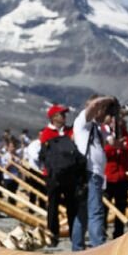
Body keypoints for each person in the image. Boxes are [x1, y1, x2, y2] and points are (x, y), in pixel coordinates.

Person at [71, 96, 116, 250]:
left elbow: (113, 142)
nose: (103, 111)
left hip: (93, 173)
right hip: (90, 172)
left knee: (83, 212)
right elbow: (95, 104)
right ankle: (99, 247)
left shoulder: (95, 127)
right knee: (96, 211)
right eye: (102, 108)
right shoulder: (82, 120)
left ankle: (77, 247)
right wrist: (109, 99)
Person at [38, 104, 80, 247]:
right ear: (54, 117)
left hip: (69, 175)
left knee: (72, 206)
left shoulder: (70, 131)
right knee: (53, 206)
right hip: (53, 176)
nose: (64, 117)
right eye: (61, 114)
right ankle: (53, 235)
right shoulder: (47, 133)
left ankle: (75, 234)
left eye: (64, 114)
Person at [104, 111, 128, 239]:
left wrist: (123, 148)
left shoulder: (124, 133)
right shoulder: (104, 132)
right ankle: (102, 231)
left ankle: (118, 233)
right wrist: (113, 146)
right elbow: (101, 151)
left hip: (121, 175)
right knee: (104, 208)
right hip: (107, 176)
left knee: (121, 205)